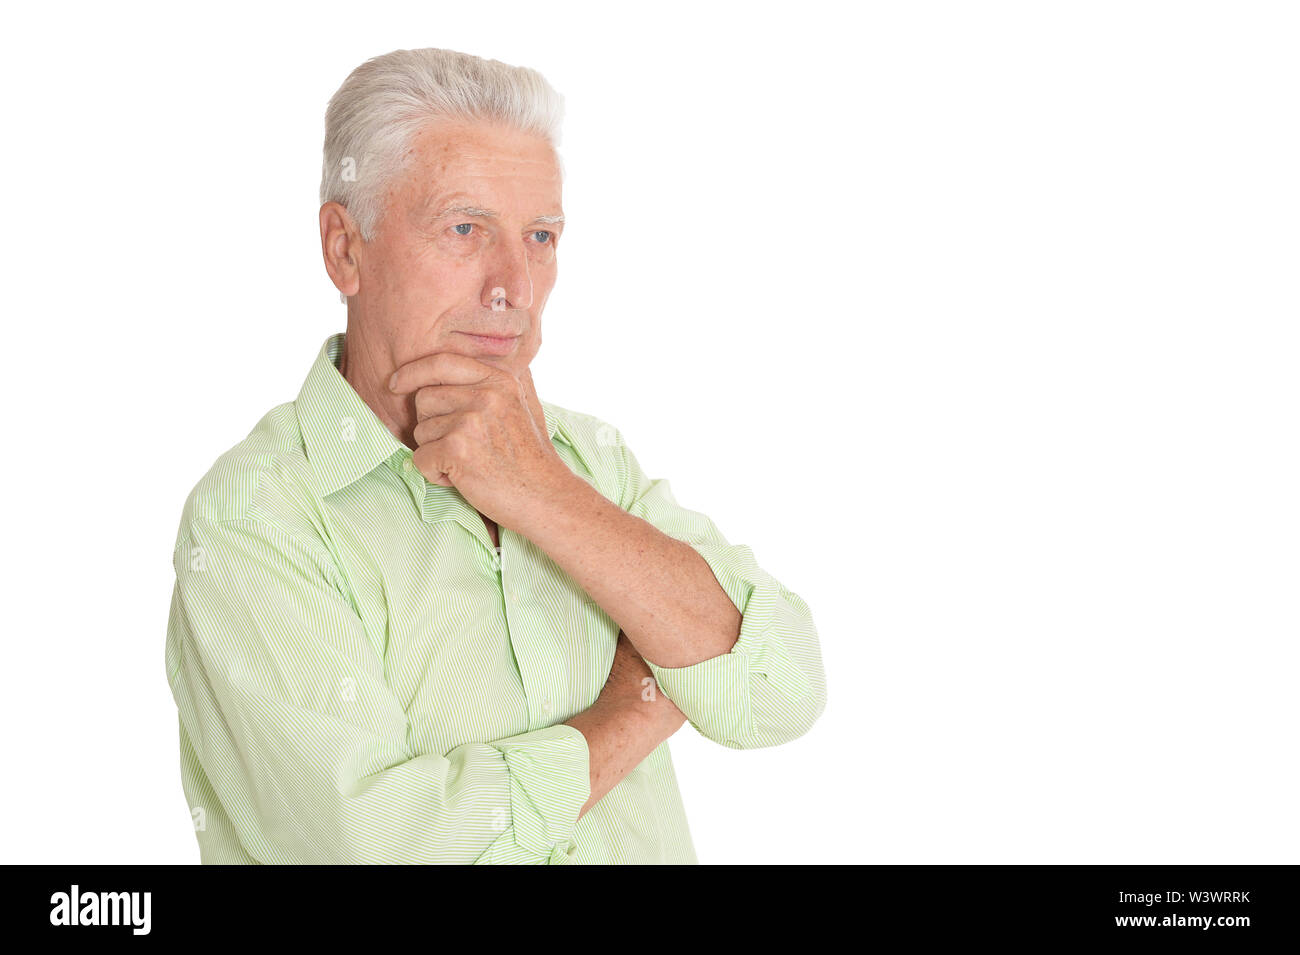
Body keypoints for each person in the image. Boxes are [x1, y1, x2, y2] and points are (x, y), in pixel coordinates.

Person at [165, 47, 827, 864]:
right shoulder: (256, 519)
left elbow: (783, 688)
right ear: (346, 249)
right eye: (465, 228)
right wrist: (634, 711)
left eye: (541, 236)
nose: (512, 284)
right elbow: (385, 848)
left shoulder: (589, 461)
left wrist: (542, 489)